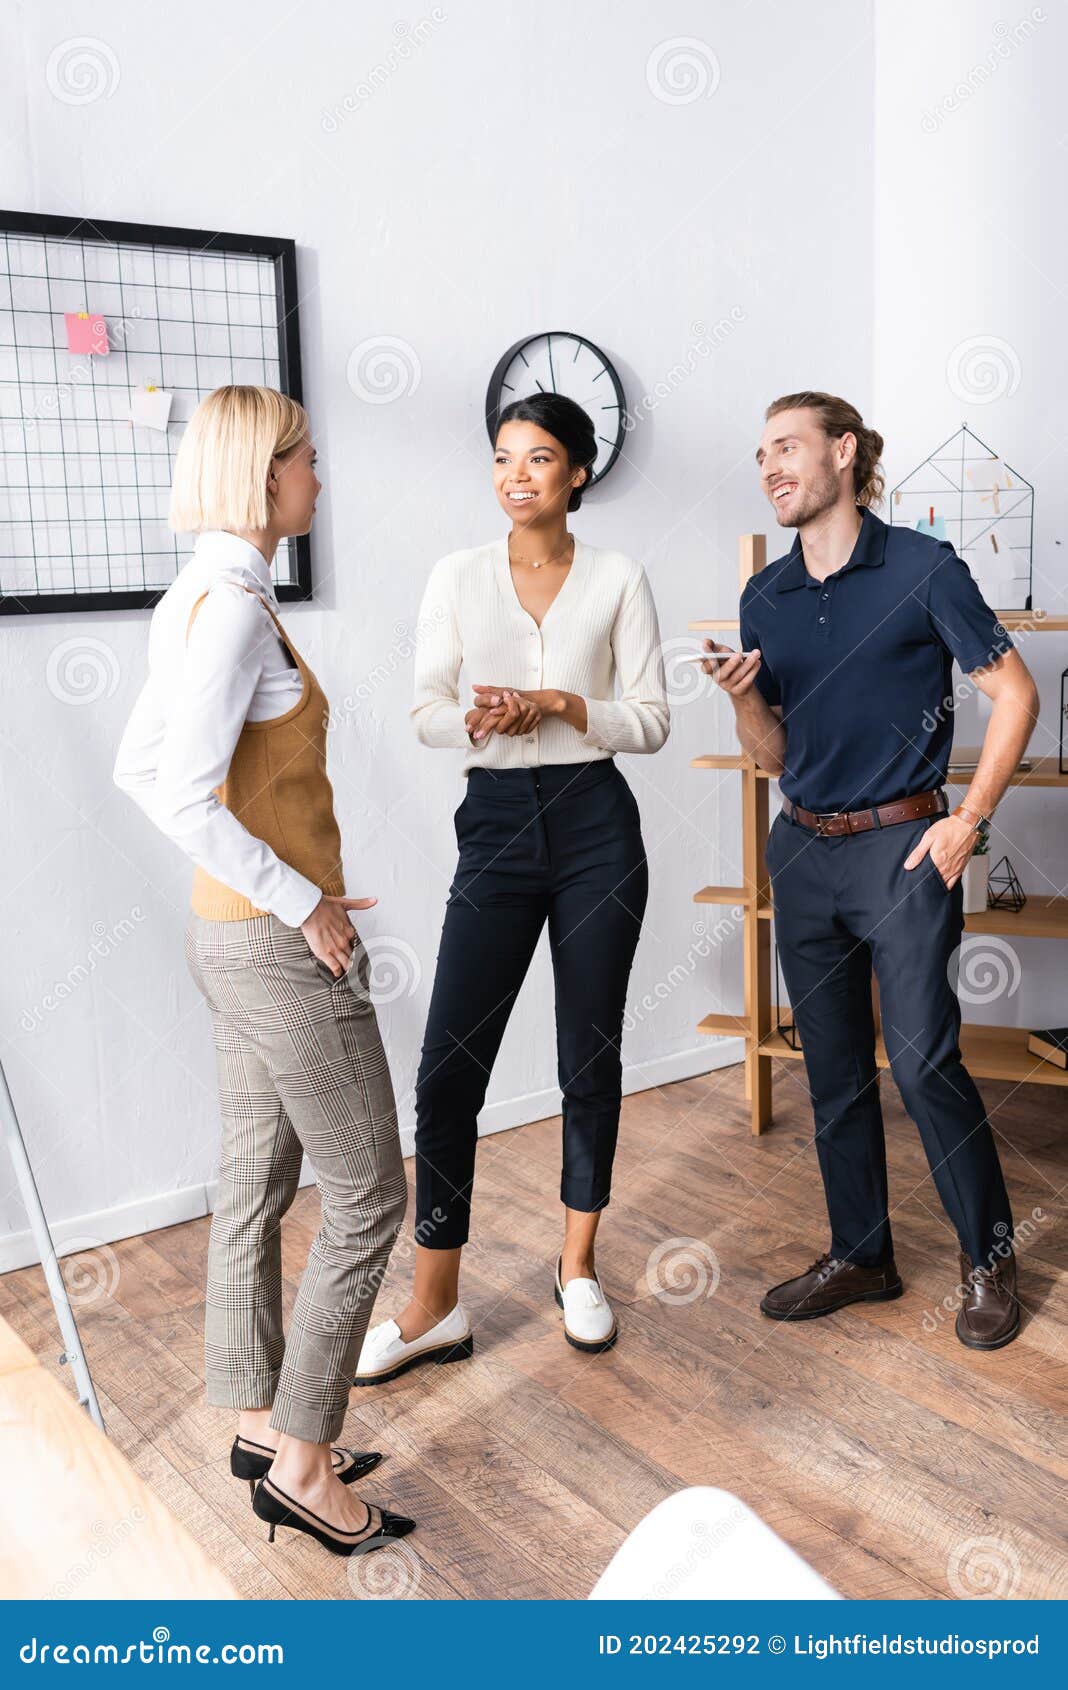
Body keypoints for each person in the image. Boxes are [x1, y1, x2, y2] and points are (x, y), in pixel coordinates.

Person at [113, 385, 415, 1556]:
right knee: (371, 1191)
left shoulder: (199, 593)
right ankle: (300, 1463)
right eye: (306, 461)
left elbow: (143, 775)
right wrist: (305, 904)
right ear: (262, 473)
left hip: (224, 932)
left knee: (256, 1177)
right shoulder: (232, 609)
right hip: (274, 946)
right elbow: (179, 788)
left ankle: (253, 1419)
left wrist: (286, 892)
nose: (319, 480)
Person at [705, 391, 1038, 1350]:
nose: (770, 466)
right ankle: (862, 1255)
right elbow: (772, 754)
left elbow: (1015, 694)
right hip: (803, 849)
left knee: (927, 1061)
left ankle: (989, 1257)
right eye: (760, 452)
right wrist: (740, 702)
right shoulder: (764, 595)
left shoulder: (924, 568)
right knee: (835, 1072)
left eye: (788, 447)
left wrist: (969, 819)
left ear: (844, 454)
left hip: (903, 850)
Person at [354, 392, 669, 1382]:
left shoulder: (619, 577)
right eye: (502, 459)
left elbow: (652, 719)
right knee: (450, 1062)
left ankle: (577, 1267)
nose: (515, 475)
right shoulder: (456, 576)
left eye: (538, 458)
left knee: (589, 1050)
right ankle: (434, 1299)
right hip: (494, 823)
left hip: (595, 828)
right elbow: (425, 710)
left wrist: (565, 704)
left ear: (577, 472)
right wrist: (485, 722)